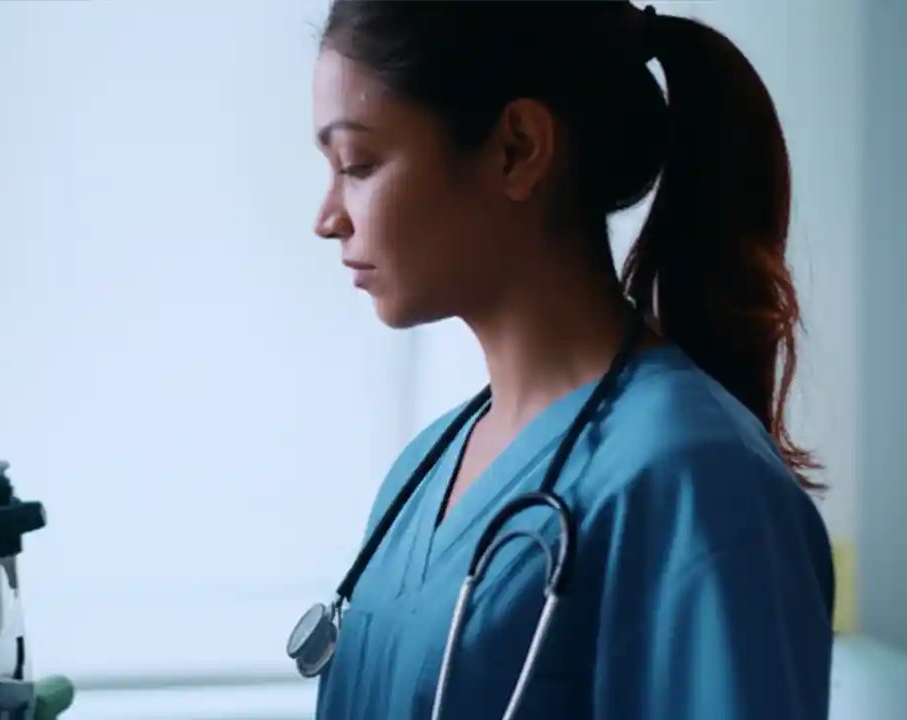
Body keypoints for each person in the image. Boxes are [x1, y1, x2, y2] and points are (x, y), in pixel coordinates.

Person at [307, 1, 835, 719]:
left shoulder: (699, 483)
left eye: (358, 165)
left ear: (516, 149)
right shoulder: (421, 473)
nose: (327, 217)